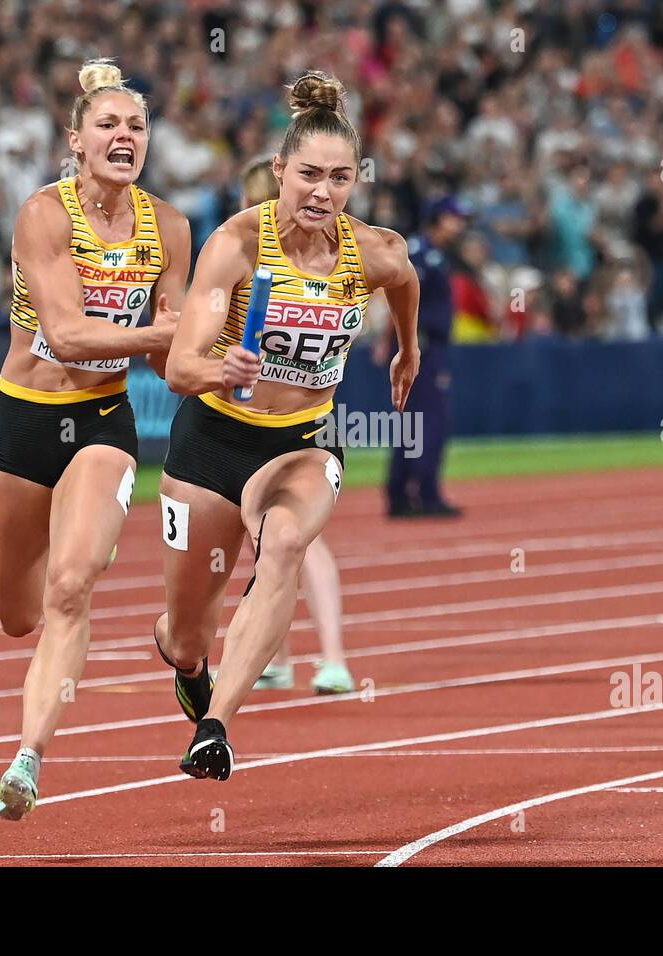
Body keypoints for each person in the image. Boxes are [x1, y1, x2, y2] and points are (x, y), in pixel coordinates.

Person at [157, 71, 419, 780]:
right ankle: (185, 660)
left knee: (284, 549)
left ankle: (214, 727)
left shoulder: (370, 249)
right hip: (213, 439)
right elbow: (180, 366)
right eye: (308, 174)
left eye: (339, 178)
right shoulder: (237, 245)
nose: (321, 192)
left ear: (355, 181)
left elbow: (405, 276)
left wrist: (409, 347)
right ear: (279, 172)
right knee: (186, 630)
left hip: (303, 439)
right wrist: (222, 369)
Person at [0, 59, 189, 819]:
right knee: (18, 613)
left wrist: (221, 351)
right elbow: (66, 336)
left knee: (72, 584)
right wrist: (165, 331)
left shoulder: (170, 226)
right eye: (108, 124)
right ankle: (33, 635)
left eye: (137, 126)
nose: (125, 136)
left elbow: (170, 359)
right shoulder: (44, 214)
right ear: (76, 140)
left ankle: (28, 757)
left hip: (103, 423)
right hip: (24, 417)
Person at [237, 157, 354, 695]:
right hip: (250, 419)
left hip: (302, 421)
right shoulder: (243, 256)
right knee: (264, 541)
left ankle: (332, 659)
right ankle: (275, 656)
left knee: (302, 541)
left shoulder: (306, 256)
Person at [380, 195, 468, 518]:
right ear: (437, 218)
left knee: (410, 424)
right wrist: (398, 343)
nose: (458, 225)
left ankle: (401, 494)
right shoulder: (422, 254)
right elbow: (402, 299)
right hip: (423, 350)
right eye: (453, 218)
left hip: (419, 347)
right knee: (429, 422)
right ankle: (424, 493)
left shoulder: (430, 254)